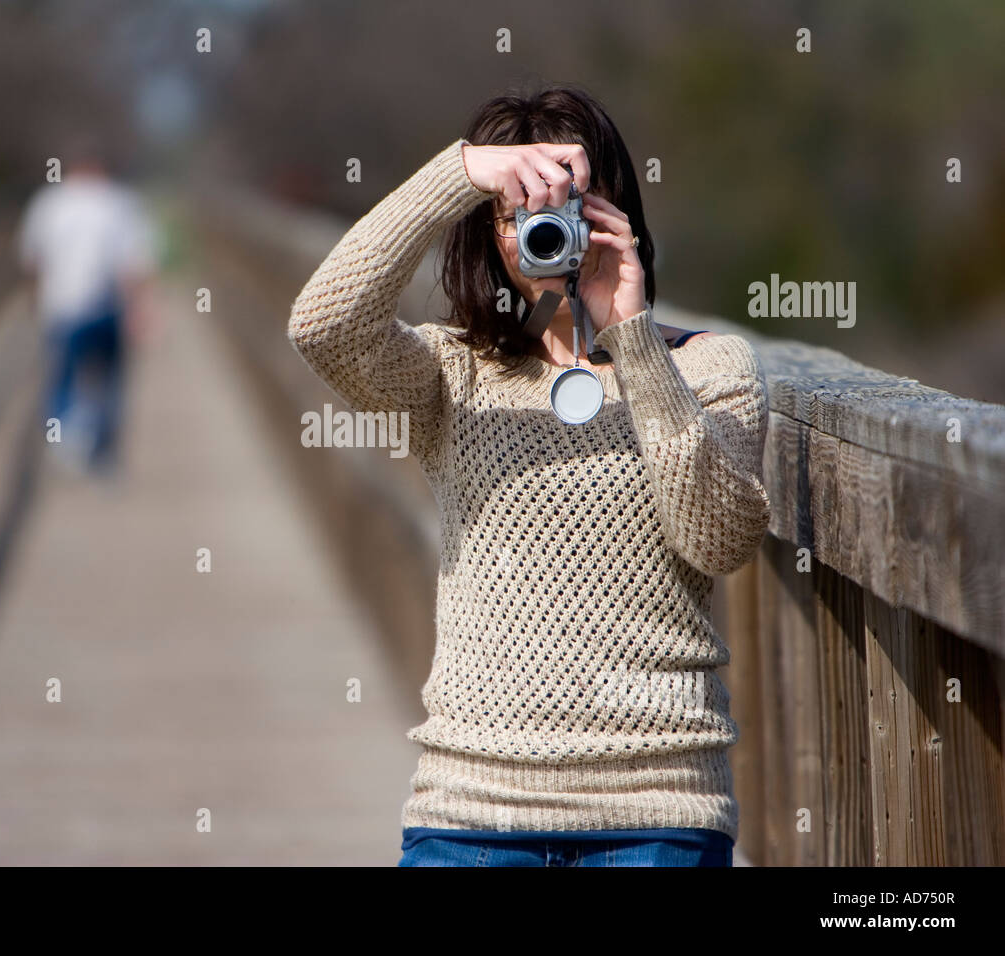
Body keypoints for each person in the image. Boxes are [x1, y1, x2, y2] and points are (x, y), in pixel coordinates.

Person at [287, 85, 771, 867]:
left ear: (618, 216)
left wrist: (634, 342)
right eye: (517, 212)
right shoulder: (453, 372)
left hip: (658, 812)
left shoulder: (708, 367)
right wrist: (464, 171)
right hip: (472, 809)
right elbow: (324, 325)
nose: (543, 230)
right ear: (491, 235)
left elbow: (718, 538)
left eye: (569, 204)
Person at [18, 142, 159, 473]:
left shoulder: (49, 203)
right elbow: (135, 264)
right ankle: (102, 447)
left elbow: (32, 259)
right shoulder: (120, 202)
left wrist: (35, 300)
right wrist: (141, 310)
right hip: (107, 308)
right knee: (109, 380)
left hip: (61, 308)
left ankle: (66, 439)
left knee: (64, 376)